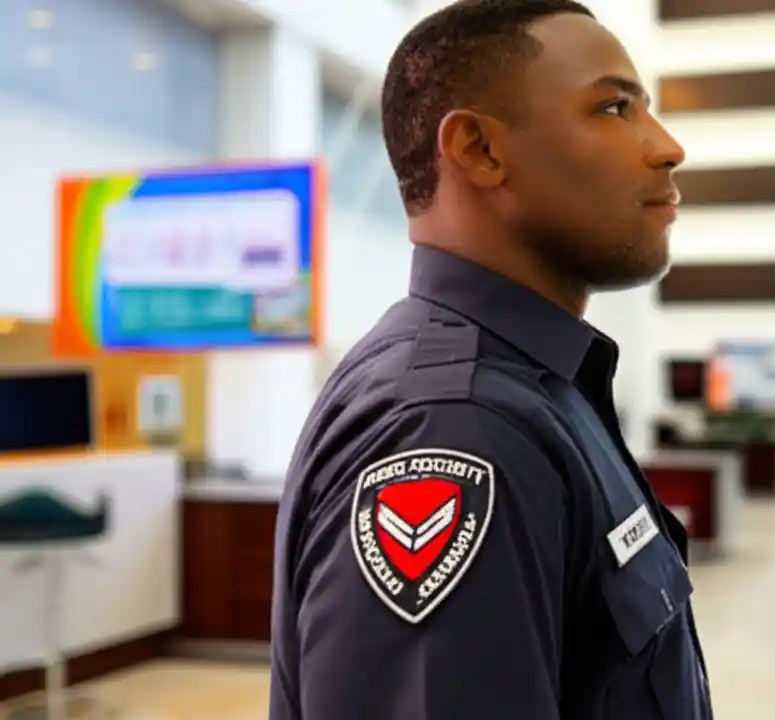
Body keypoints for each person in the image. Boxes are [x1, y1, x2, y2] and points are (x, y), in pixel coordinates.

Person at [268, 1, 712, 718]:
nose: (666, 147)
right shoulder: (455, 428)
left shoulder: (538, 390)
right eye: (612, 108)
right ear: (479, 149)